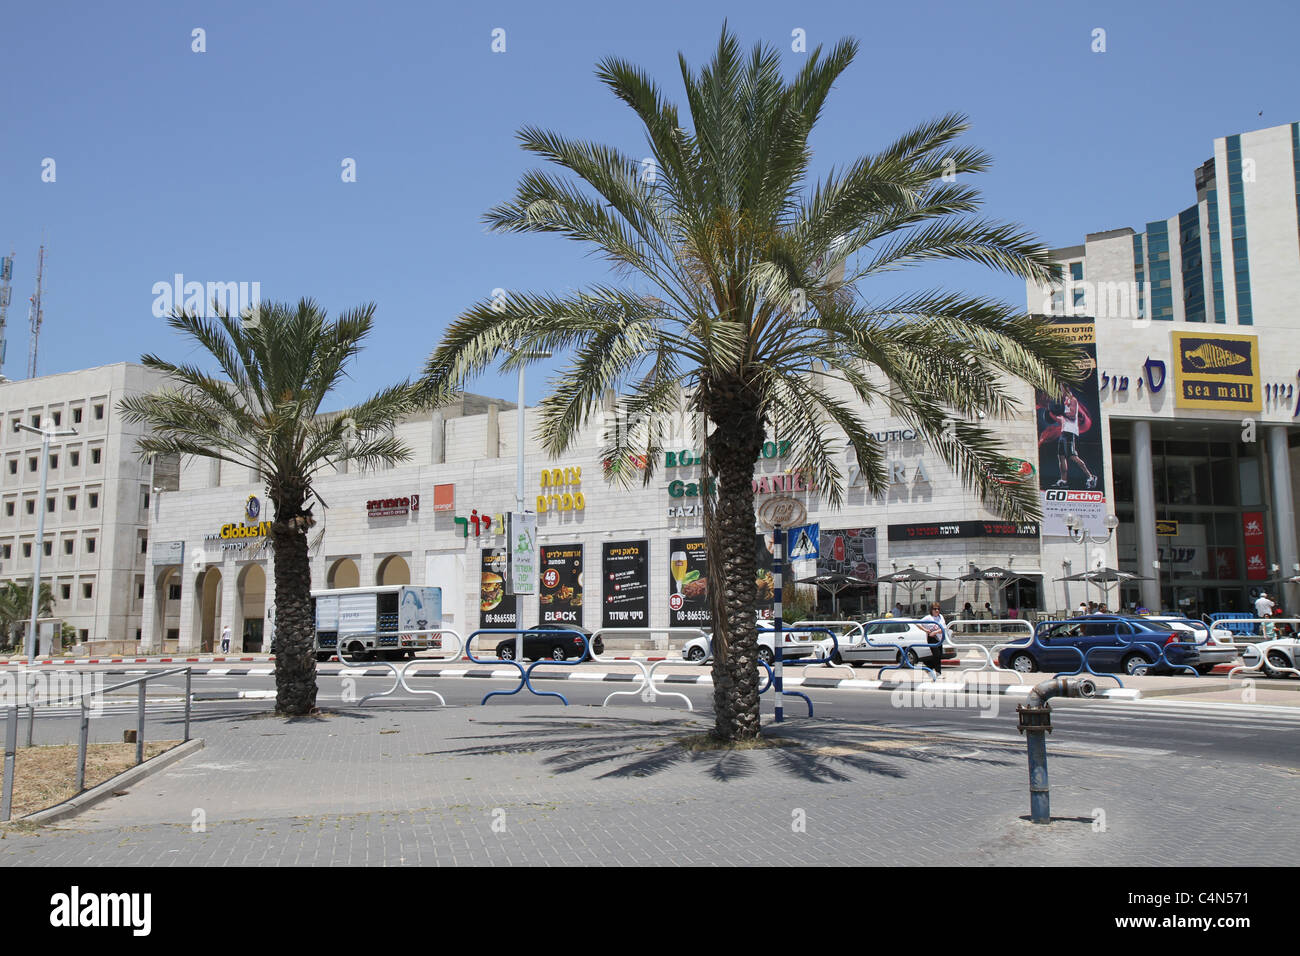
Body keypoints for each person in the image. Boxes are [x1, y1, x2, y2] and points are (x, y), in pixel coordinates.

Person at [920, 602, 948, 675]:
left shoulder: (940, 617)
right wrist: (926, 630)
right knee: (937, 654)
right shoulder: (928, 617)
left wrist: (935, 632)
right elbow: (918, 623)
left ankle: (929, 666)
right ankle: (938, 672)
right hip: (932, 638)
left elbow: (944, 628)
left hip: (939, 638)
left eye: (938, 609)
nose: (937, 611)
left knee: (939, 655)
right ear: (931, 610)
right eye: (935, 609)